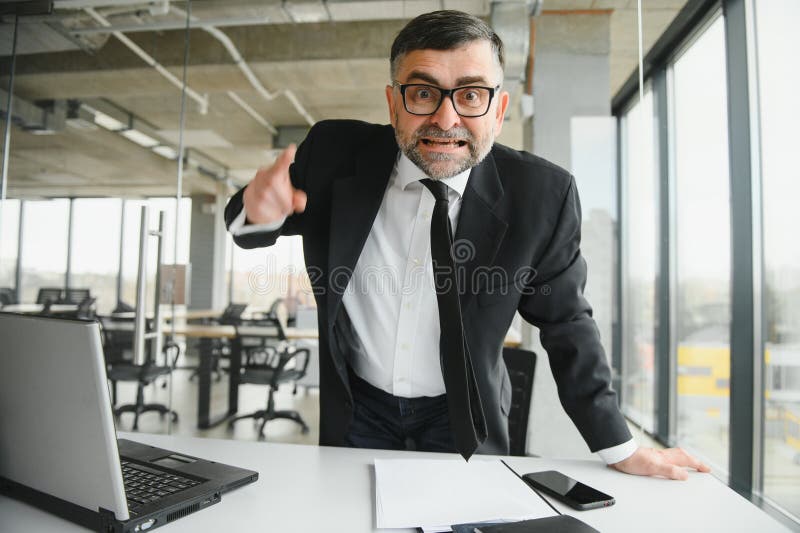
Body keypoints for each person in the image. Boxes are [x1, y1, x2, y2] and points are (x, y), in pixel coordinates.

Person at [226, 10, 710, 480]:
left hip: (462, 416)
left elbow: (567, 324)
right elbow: (244, 221)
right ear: (394, 104)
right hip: (357, 408)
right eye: (422, 93)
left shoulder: (541, 195)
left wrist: (618, 446)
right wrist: (256, 209)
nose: (445, 117)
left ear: (498, 110)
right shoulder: (333, 153)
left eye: (471, 94)